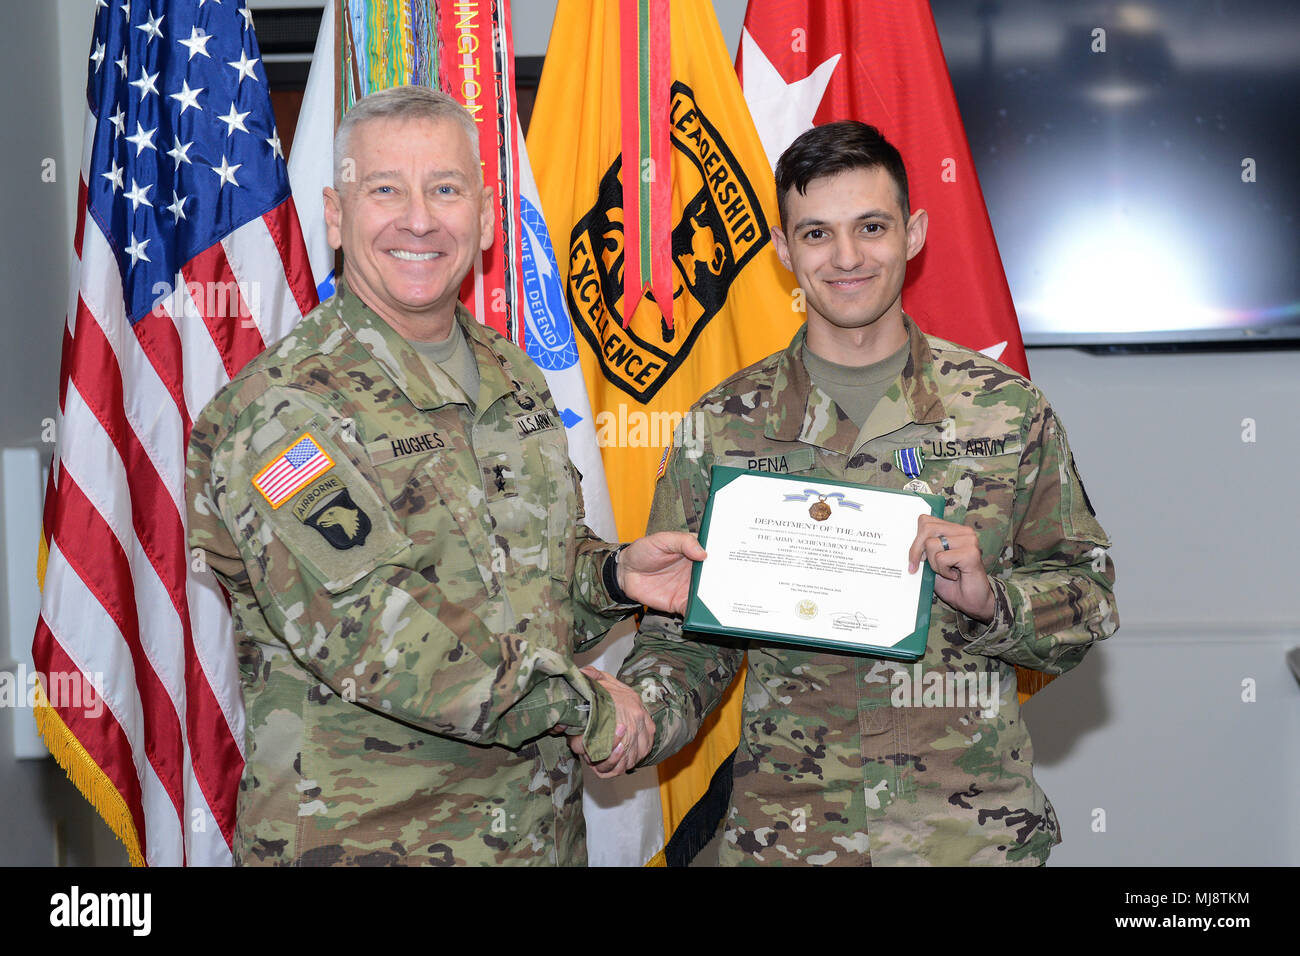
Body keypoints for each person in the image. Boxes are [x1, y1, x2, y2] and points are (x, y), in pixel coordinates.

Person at [185, 86, 694, 867]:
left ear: (486, 217)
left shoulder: (511, 376)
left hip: (537, 840)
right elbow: (377, 632)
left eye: (445, 189)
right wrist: (587, 707)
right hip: (371, 846)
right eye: (385, 188)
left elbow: (529, 589)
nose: (418, 219)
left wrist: (618, 576)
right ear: (334, 213)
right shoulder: (280, 411)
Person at [613, 121, 1119, 865]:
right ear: (784, 251)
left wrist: (992, 601)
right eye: (816, 233)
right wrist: (638, 720)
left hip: (967, 840)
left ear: (912, 234)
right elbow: (684, 638)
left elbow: (1091, 597)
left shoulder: (1008, 412)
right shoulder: (720, 427)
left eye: (871, 227)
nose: (846, 257)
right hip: (787, 839)